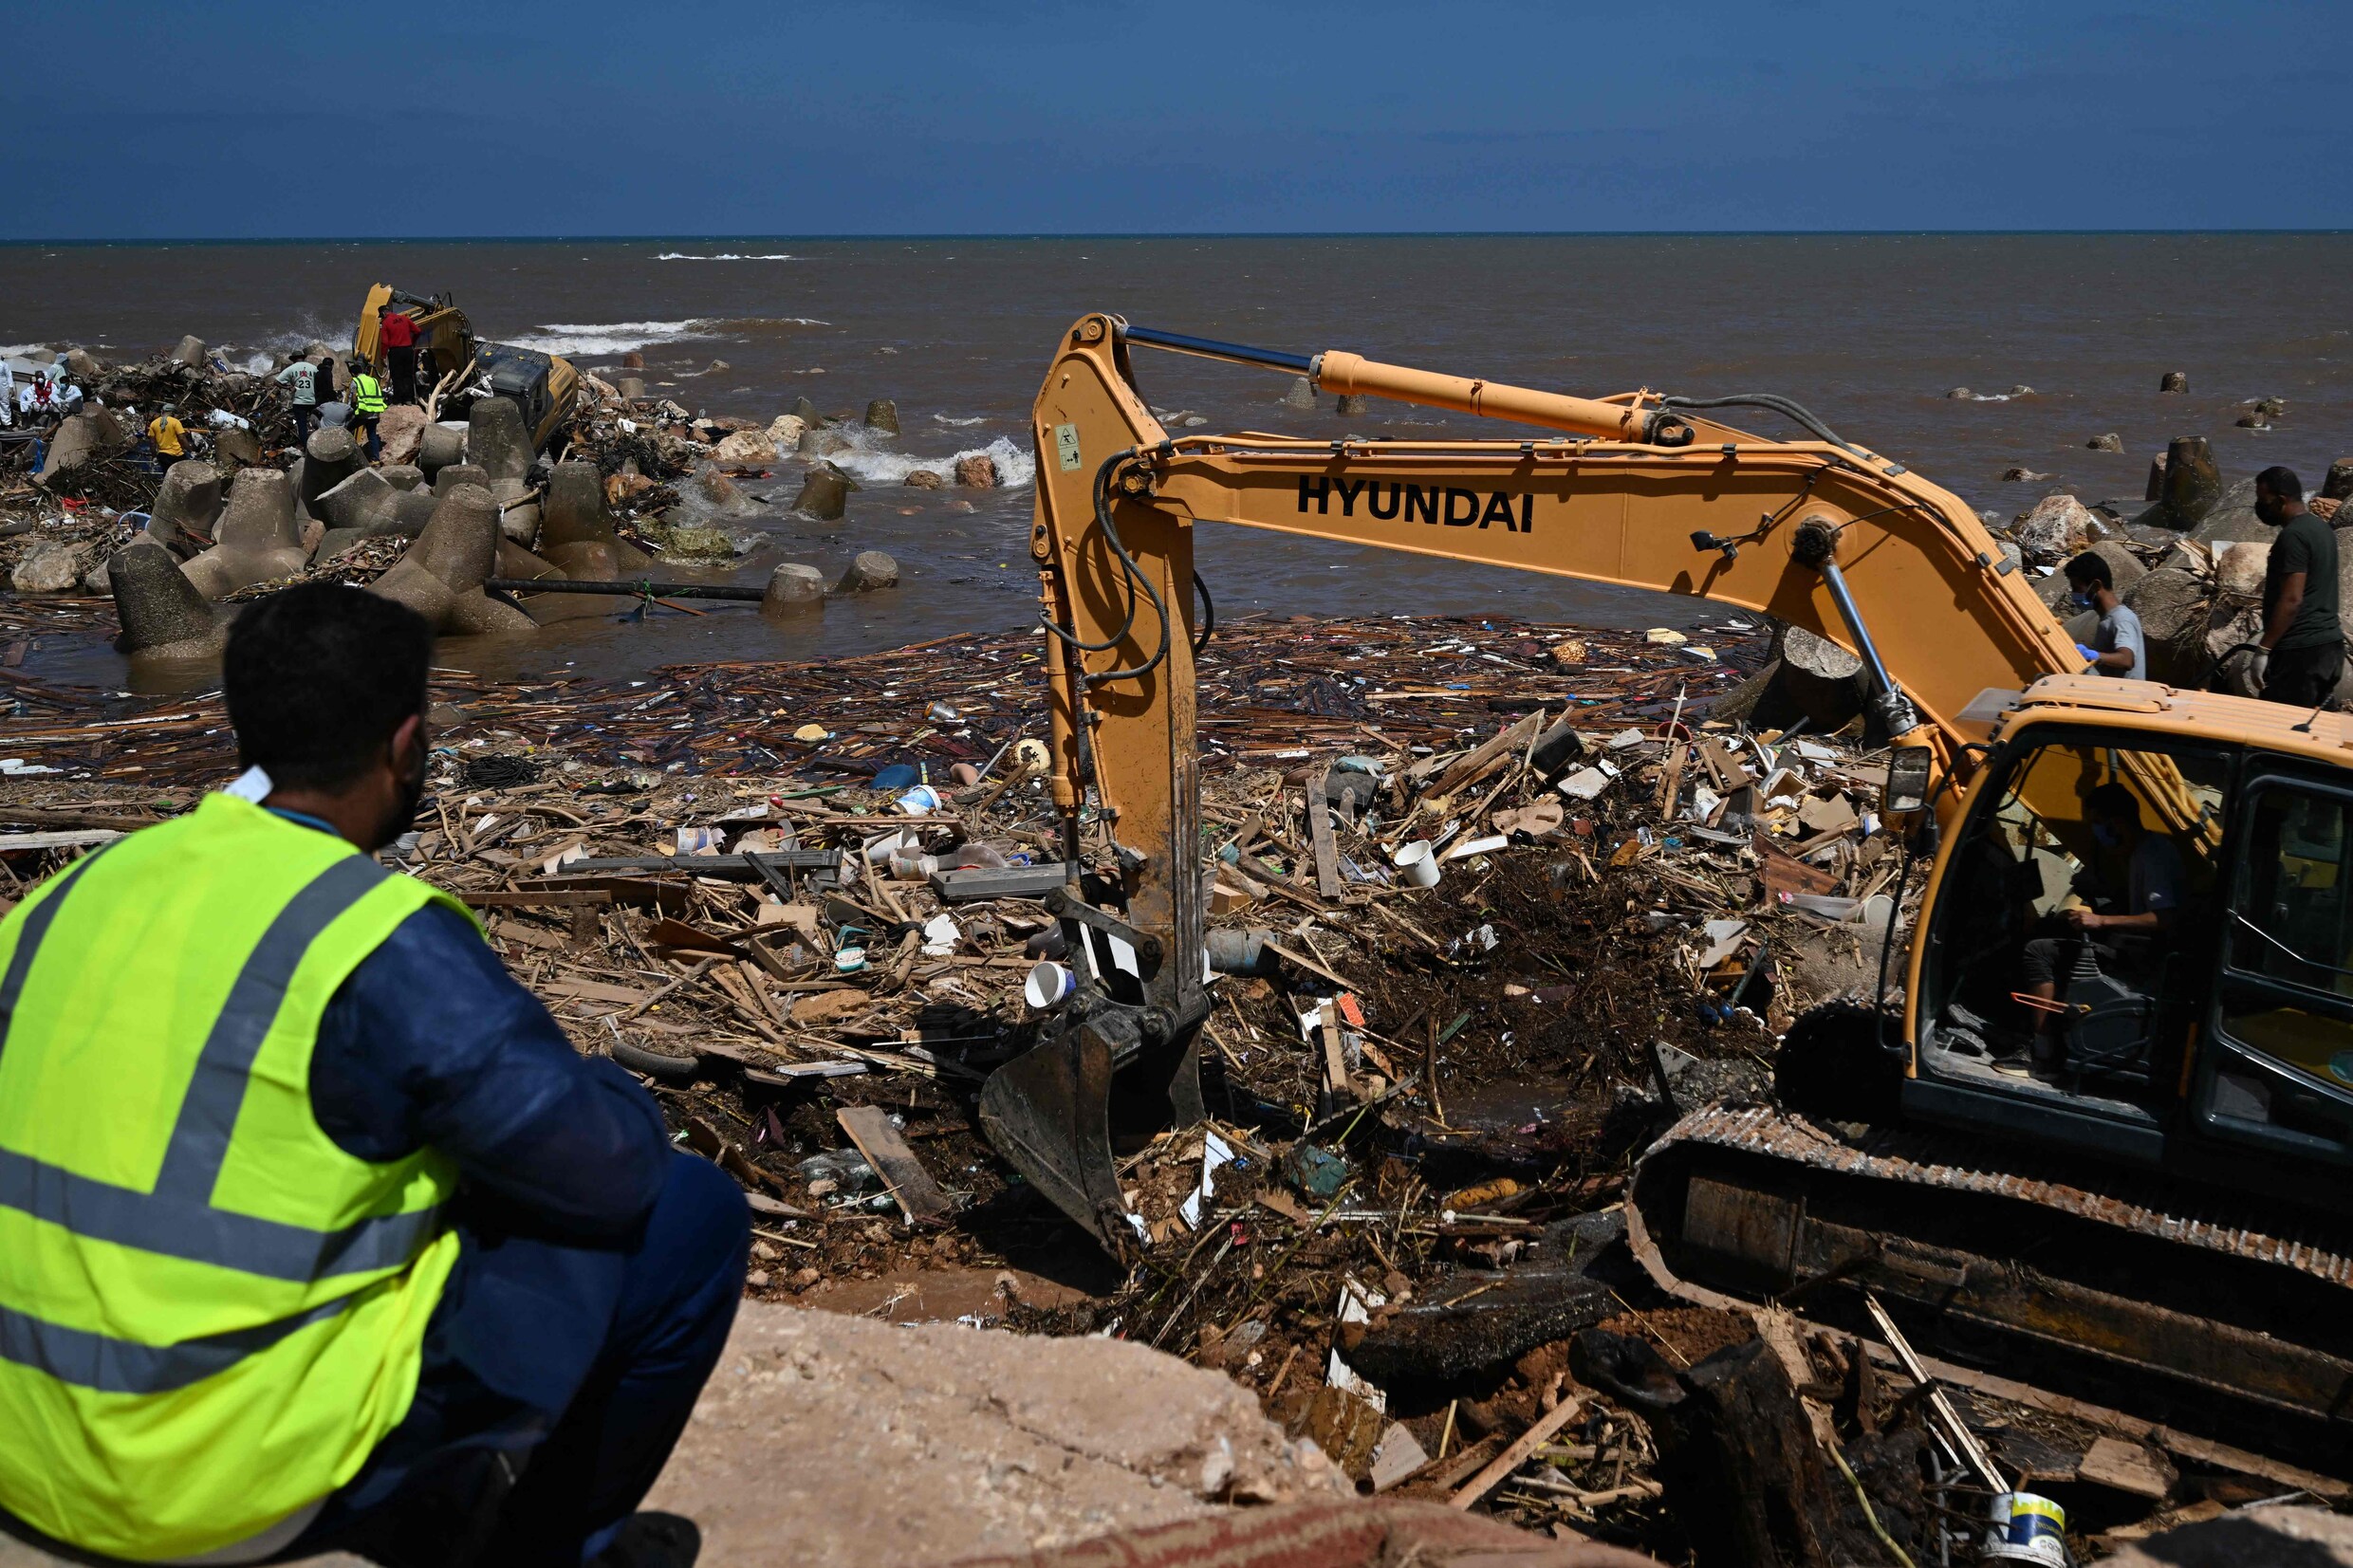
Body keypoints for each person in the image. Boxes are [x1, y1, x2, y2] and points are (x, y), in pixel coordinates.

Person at [0, 583, 743, 1568]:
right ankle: (539, 1548)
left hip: (26, 1455)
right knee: (688, 1214)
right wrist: (614, 1091)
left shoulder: (68, 896)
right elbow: (604, 1170)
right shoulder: (372, 939)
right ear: (404, 747)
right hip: (205, 1485)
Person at [2014, 782, 2184, 1076]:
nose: (2095, 831)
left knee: (2037, 951)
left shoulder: (2151, 856)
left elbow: (2164, 918)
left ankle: (2043, 1056)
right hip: (2139, 949)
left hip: (2144, 961)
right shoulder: (2145, 850)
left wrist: (2100, 920)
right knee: (2054, 931)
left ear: (2116, 822)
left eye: (2096, 823)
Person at [2253, 465, 2344, 709]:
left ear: (2281, 500)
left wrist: (2264, 648)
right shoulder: (2321, 529)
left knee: (2282, 730)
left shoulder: (2293, 536)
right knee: (2317, 727)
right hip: (2330, 648)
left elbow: (2292, 599)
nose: (2259, 505)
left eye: (2263, 500)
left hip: (2301, 652)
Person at [2065, 552, 2146, 679]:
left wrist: (2093, 655)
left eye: (2077, 588)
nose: (2074, 594)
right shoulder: (2107, 619)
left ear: (2096, 586)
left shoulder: (2122, 618)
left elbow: (2126, 659)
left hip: (2124, 696)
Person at [275, 353, 323, 447]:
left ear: (293, 359)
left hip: (299, 402)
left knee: (302, 426)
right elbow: (320, 380)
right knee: (318, 424)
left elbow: (276, 382)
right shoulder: (313, 368)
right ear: (303, 358)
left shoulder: (290, 369)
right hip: (312, 400)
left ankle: (305, 447)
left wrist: (288, 387)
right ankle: (320, 443)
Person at [380, 303, 421, 405]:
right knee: (408, 375)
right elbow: (418, 331)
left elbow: (385, 342)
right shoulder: (404, 318)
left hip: (395, 351)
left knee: (397, 376)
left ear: (383, 314)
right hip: (408, 350)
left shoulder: (385, 322)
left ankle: (397, 400)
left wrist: (383, 356)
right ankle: (408, 399)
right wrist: (412, 343)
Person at [350, 360, 388, 460]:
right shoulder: (374, 380)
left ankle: (350, 453)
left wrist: (352, 409)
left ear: (353, 373)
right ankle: (375, 459)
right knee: (372, 435)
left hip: (363, 411)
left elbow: (354, 398)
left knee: (348, 428)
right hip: (375, 411)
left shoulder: (355, 381)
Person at [146, 400, 189, 470]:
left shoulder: (153, 423)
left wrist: (154, 456)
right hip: (177, 455)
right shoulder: (176, 422)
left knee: (166, 475)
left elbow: (152, 442)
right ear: (172, 413)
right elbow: (182, 438)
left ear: (162, 411)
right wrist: (190, 450)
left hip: (162, 455)